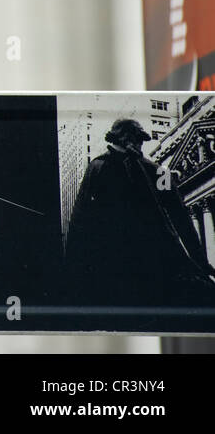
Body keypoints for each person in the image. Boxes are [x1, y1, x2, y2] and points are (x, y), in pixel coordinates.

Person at [63, 118, 215, 307]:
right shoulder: (100, 167)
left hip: (145, 264)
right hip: (124, 264)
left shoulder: (155, 171)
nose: (140, 144)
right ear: (126, 138)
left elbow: (180, 216)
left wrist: (200, 262)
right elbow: (80, 220)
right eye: (138, 139)